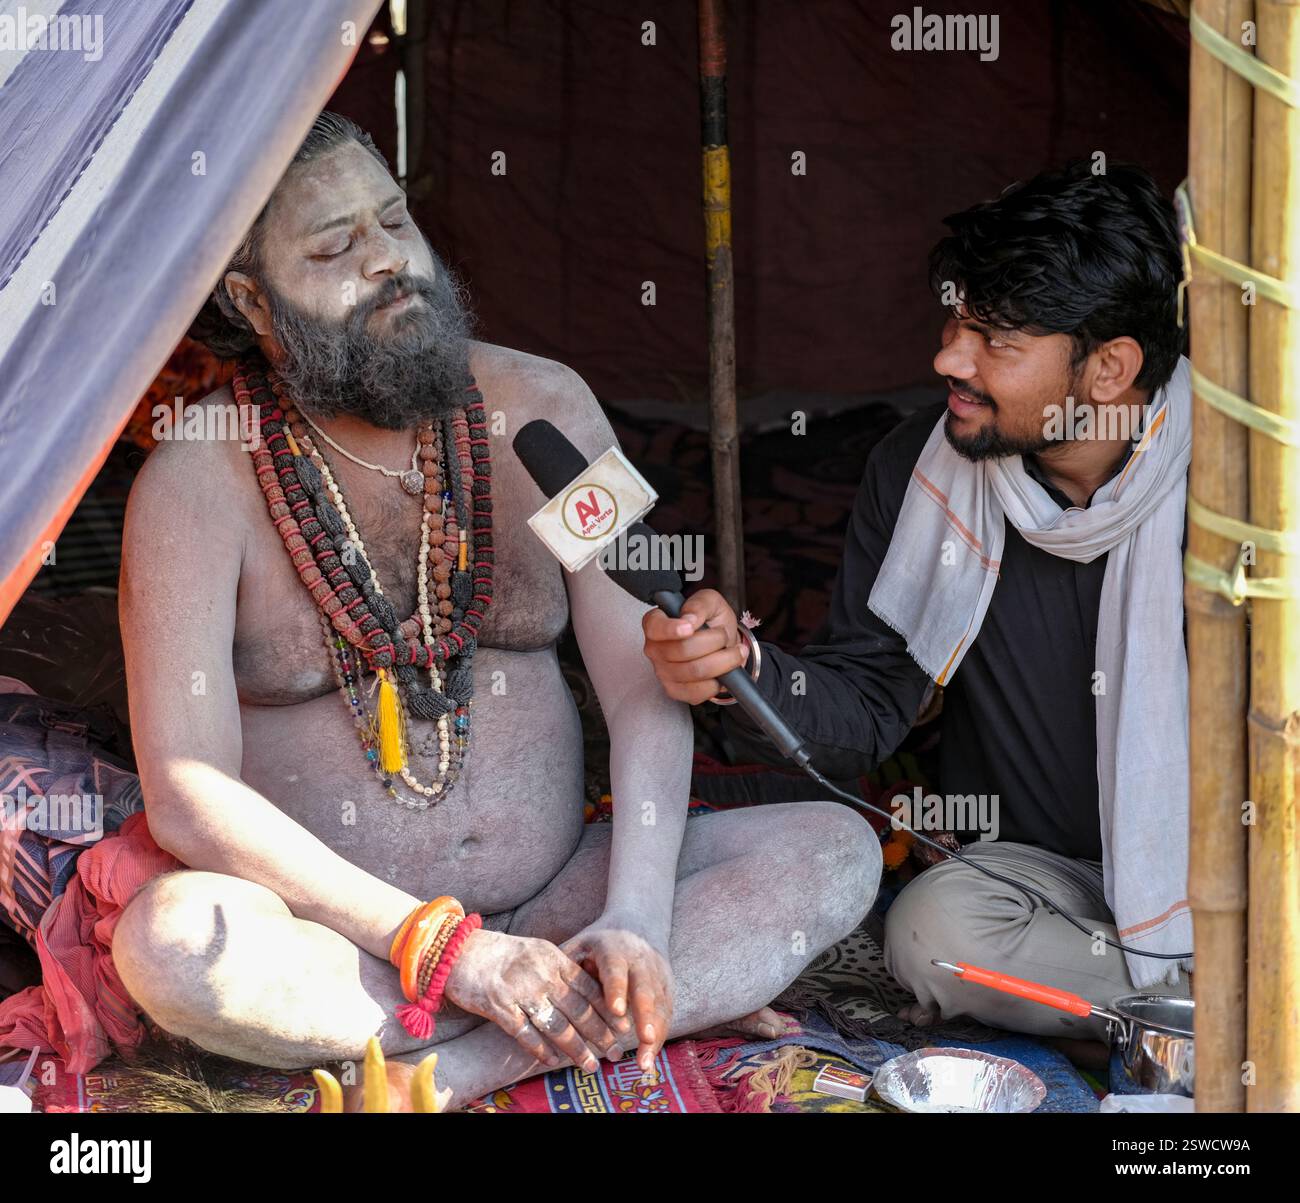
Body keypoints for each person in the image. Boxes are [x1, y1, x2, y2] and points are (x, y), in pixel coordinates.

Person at [84, 112, 883, 1109]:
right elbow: (187, 792)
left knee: (834, 851)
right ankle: (595, 1012)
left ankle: (462, 1066)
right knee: (170, 945)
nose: (385, 262)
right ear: (254, 300)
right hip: (350, 952)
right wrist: (443, 950)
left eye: (393, 222)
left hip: (566, 910)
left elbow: (642, 681)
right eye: (334, 247)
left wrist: (634, 918)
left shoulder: (550, 408)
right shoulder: (195, 480)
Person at [643, 162, 1193, 1044]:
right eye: (956, 322)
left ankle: (1208, 998)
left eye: (996, 342)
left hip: (1229, 875)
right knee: (933, 933)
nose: (948, 359)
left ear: (1109, 369)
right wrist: (738, 670)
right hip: (1040, 880)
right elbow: (865, 711)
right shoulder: (922, 471)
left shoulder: (1242, 491)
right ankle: (1224, 1014)